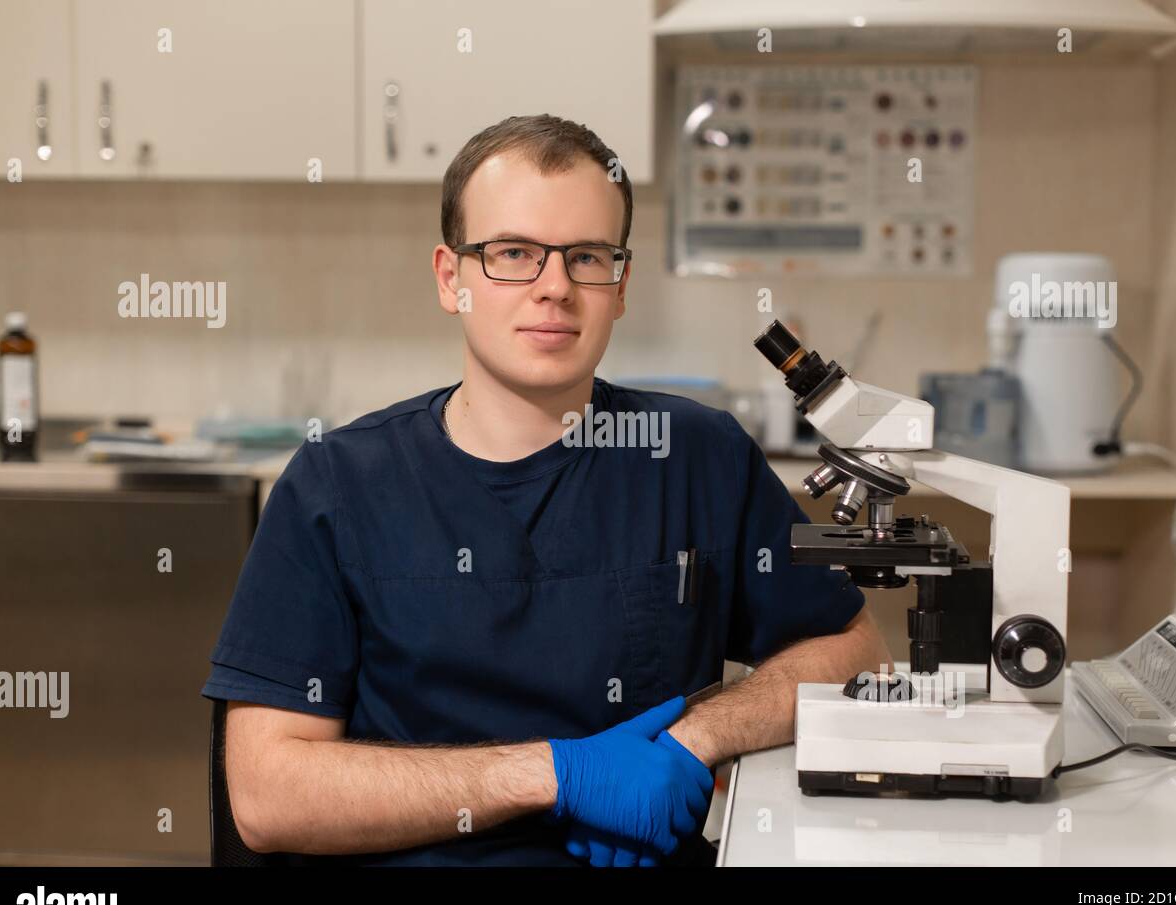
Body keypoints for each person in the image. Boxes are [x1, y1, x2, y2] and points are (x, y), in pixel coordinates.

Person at [201, 114, 889, 866]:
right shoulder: (337, 486)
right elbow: (267, 794)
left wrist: (696, 741)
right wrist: (556, 776)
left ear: (619, 285)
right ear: (449, 278)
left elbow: (851, 647)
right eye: (514, 254)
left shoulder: (698, 457)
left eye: (587, 256)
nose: (554, 288)